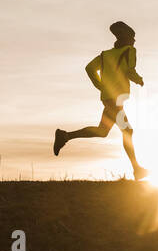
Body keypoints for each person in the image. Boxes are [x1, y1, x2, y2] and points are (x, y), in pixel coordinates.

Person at [54, 21, 149, 180]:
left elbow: (89, 68)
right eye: (132, 37)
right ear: (126, 37)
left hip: (108, 98)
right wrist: (139, 80)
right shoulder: (129, 51)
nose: (134, 41)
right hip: (116, 99)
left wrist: (101, 86)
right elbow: (129, 70)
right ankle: (137, 170)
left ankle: (65, 136)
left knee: (102, 131)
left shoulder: (106, 55)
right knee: (127, 131)